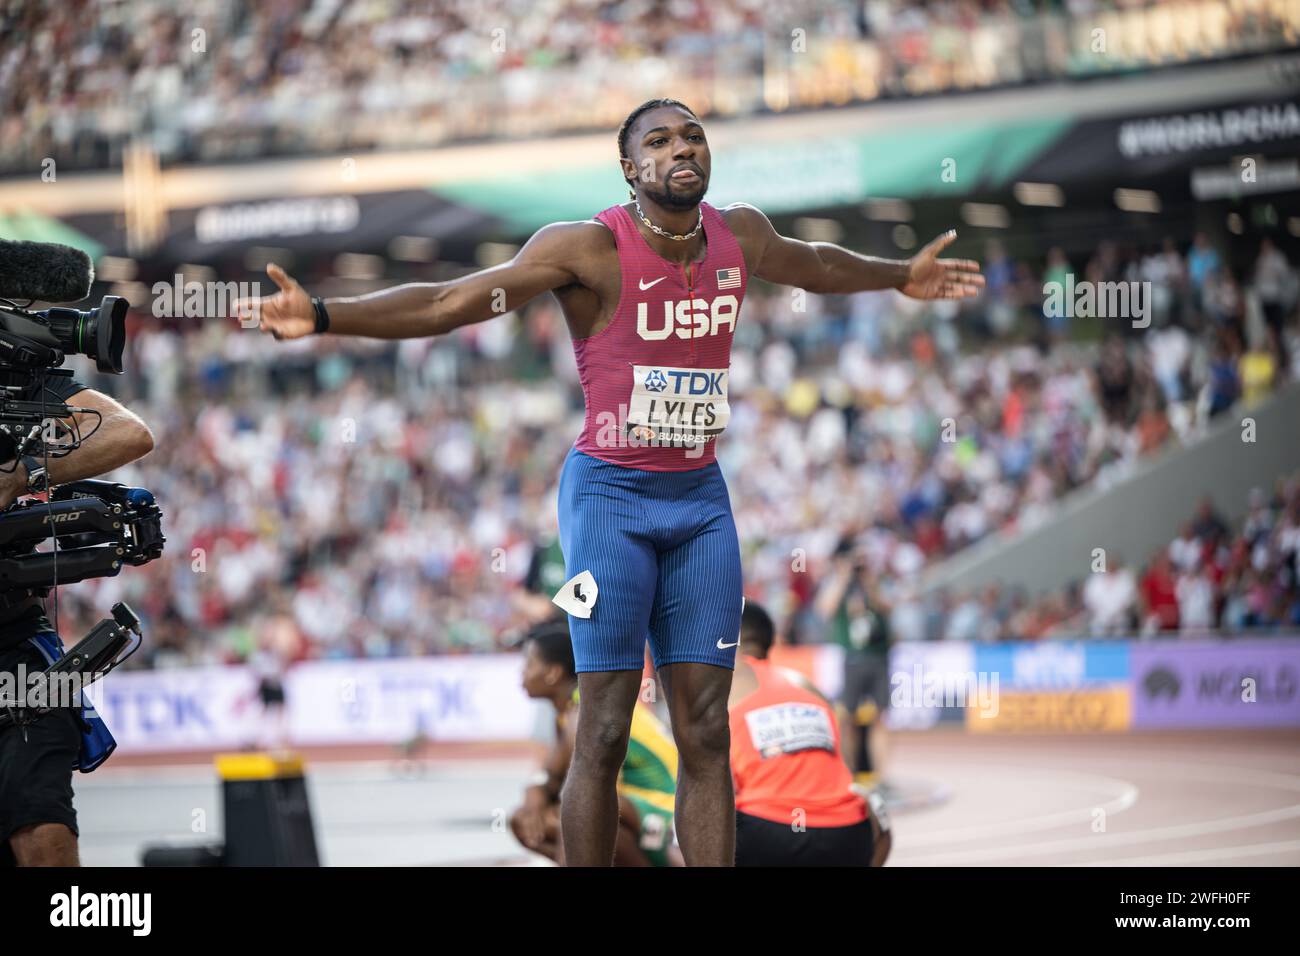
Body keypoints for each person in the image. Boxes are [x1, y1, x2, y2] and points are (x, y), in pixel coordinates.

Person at [238, 97, 983, 865]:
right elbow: (450, 300)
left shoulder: (742, 234)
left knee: (703, 728)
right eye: (658, 142)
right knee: (601, 728)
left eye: (692, 135)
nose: (681, 148)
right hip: (608, 500)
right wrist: (327, 315)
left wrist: (902, 275)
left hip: (699, 505)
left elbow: (817, 264)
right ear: (630, 169)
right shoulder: (587, 249)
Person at [0, 372, 155, 866]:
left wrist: (20, 473)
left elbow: (129, 433)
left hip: (14, 657)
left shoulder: (11, 369)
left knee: (42, 835)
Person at [728, 601, 890, 866]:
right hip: (849, 833)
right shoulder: (808, 687)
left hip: (765, 832)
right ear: (769, 644)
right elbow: (845, 771)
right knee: (872, 804)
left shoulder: (724, 679)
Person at [510, 618, 681, 866]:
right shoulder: (576, 708)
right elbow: (550, 775)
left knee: (578, 813)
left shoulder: (581, 714)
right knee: (526, 819)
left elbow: (595, 795)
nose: (522, 672)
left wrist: (542, 799)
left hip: (666, 816)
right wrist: (533, 793)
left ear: (553, 674)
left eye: (529, 664)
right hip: (645, 812)